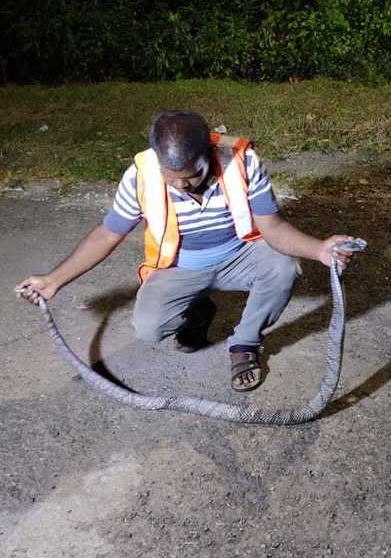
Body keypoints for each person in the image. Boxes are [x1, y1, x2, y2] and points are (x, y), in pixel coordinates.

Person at [16, 110, 355, 391]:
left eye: (192, 176)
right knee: (148, 328)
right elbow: (106, 235)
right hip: (179, 267)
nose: (181, 185)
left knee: (282, 266)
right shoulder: (139, 176)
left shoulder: (243, 162)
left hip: (239, 255)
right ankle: (197, 308)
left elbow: (274, 228)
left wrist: (319, 250)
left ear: (209, 151)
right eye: (171, 177)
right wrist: (53, 280)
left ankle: (245, 343)